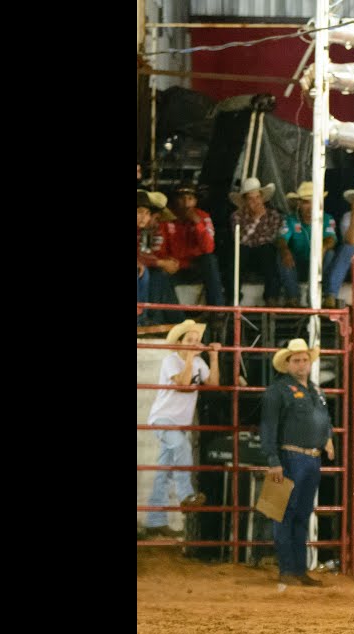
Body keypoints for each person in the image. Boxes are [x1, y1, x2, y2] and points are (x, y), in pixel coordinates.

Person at [260, 338, 335, 587]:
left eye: (304, 360)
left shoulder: (315, 391)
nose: (302, 364)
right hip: (289, 458)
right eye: (297, 360)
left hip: (310, 458)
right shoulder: (278, 391)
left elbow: (324, 420)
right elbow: (268, 428)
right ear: (287, 364)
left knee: (301, 514)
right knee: (286, 513)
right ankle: (288, 569)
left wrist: (327, 438)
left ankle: (298, 570)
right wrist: (273, 460)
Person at [142, 319, 221, 537]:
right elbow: (184, 383)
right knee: (182, 446)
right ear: (179, 343)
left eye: (196, 340)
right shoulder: (171, 360)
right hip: (163, 418)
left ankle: (154, 521)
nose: (194, 343)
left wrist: (214, 357)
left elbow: (213, 384)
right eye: (189, 340)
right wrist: (190, 359)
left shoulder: (199, 362)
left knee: (164, 472)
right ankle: (186, 495)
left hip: (180, 423)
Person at [161, 184, 226, 312]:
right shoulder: (166, 218)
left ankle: (217, 310)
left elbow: (208, 248)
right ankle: (173, 317)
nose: (186, 203)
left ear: (196, 201)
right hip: (174, 267)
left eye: (190, 198)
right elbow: (160, 249)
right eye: (182, 198)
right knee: (159, 273)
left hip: (196, 267)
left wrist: (198, 224)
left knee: (210, 260)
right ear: (175, 200)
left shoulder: (203, 216)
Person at [278, 180, 339, 308]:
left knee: (330, 254)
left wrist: (323, 247)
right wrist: (285, 250)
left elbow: (331, 239)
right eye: (306, 202)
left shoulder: (327, 218)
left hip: (319, 267)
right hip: (298, 266)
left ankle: (324, 295)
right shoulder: (290, 219)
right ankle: (293, 298)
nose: (310, 206)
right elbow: (281, 239)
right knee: (282, 254)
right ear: (299, 204)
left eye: (314, 202)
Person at [229, 178, 287, 307]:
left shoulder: (273, 215)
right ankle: (233, 297)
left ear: (262, 198)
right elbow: (241, 239)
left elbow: (272, 238)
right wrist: (256, 219)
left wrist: (253, 236)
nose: (255, 202)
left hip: (264, 253)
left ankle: (271, 297)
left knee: (268, 250)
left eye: (257, 197)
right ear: (245, 201)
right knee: (238, 253)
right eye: (251, 199)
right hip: (245, 254)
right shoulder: (237, 216)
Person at [136, 190, 185, 325]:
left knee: (156, 274)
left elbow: (141, 254)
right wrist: (161, 262)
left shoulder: (141, 231)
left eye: (147, 213)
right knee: (148, 272)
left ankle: (150, 318)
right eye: (140, 212)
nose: (144, 217)